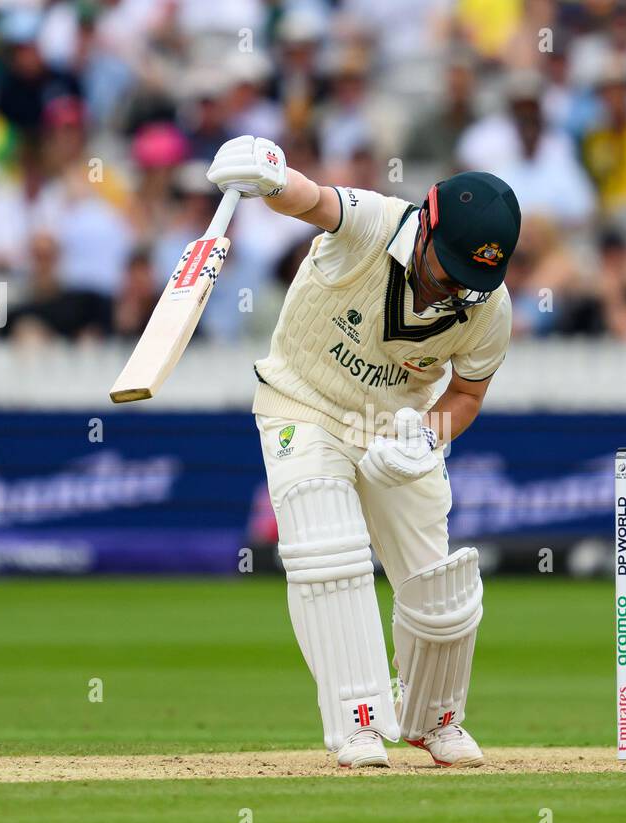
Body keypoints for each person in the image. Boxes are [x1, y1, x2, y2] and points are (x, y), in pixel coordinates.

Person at [205, 134, 520, 769]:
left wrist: (426, 436)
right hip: (304, 404)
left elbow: (465, 392)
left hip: (392, 425)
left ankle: (436, 720)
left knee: (441, 582)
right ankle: (360, 724)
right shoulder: (377, 224)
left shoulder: (488, 308)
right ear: (426, 227)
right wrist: (269, 176)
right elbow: (313, 201)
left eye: (469, 282)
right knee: (328, 553)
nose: (450, 292)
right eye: (446, 270)